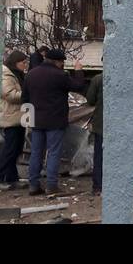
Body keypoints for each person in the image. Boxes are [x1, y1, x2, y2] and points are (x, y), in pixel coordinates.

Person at [21, 49, 85, 196]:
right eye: (62, 62)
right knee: (53, 153)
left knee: (36, 153)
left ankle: (33, 185)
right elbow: (79, 86)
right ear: (58, 62)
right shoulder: (60, 75)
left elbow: (24, 99)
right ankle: (51, 186)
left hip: (36, 120)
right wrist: (78, 71)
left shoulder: (31, 74)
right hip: (55, 120)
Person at [0, 50, 29, 190]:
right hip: (10, 117)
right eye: (23, 62)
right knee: (9, 150)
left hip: (18, 117)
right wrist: (27, 94)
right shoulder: (6, 75)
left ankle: (12, 177)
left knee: (16, 149)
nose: (25, 65)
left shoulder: (17, 74)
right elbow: (9, 94)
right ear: (16, 62)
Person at [85, 72, 103, 194]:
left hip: (101, 122)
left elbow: (90, 100)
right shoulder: (125, 78)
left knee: (99, 155)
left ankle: (98, 186)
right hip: (121, 124)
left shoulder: (98, 79)